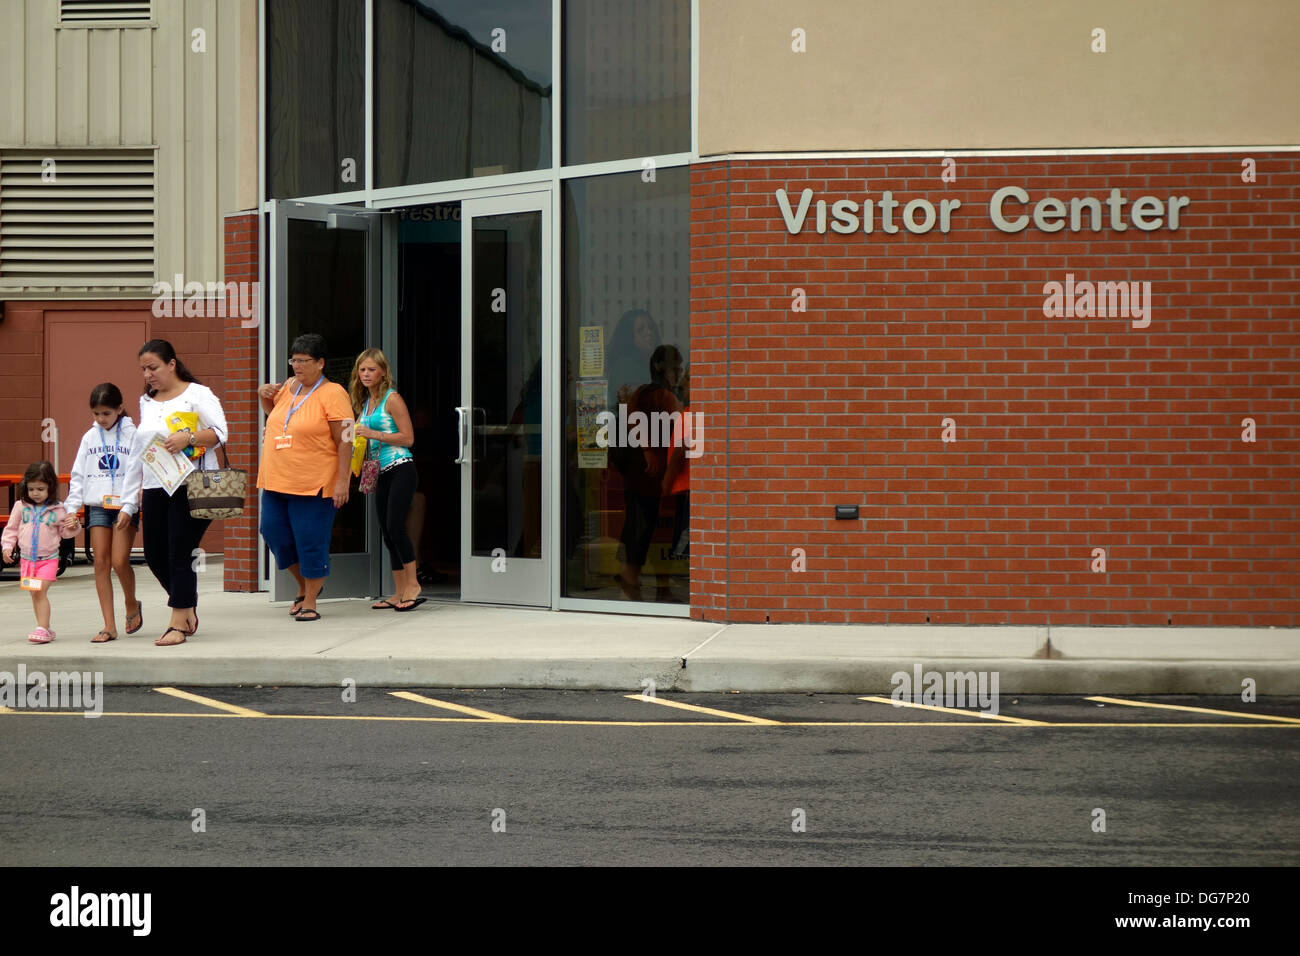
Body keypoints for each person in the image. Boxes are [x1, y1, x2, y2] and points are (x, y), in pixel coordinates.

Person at [118, 339, 229, 646]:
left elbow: (221, 433)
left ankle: (178, 622)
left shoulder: (198, 394)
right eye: (143, 369)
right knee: (154, 554)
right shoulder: (147, 400)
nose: (148, 375)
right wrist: (129, 502)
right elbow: (138, 451)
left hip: (191, 483)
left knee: (181, 549)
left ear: (171, 364)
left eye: (152, 367)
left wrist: (188, 437)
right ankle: (187, 605)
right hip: (156, 485)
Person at [257, 333, 354, 621]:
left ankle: (310, 600)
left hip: (314, 482)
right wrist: (265, 400)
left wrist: (342, 481)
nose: (296, 366)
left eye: (303, 361)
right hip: (276, 478)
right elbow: (279, 419)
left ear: (320, 363)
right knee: (273, 532)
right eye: (293, 360)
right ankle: (303, 586)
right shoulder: (289, 387)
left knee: (310, 539)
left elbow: (346, 439)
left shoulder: (334, 393)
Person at [62, 383, 142, 642]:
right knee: (100, 563)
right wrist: (72, 508)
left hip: (124, 506)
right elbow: (78, 475)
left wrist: (130, 507)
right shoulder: (89, 437)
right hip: (97, 505)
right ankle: (109, 625)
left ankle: (131, 602)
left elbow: (137, 474)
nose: (100, 419)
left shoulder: (133, 435)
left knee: (120, 562)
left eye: (106, 413)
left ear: (119, 409)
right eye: (96, 413)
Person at [349, 348, 423, 611]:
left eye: (371, 369)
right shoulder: (365, 403)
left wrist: (372, 433)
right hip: (379, 471)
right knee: (387, 532)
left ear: (382, 373)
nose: (366, 374)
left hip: (400, 466)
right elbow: (356, 435)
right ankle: (399, 591)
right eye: (362, 369)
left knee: (396, 526)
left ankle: (413, 585)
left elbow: (408, 438)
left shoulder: (392, 399)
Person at [616, 344, 685, 602]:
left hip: (639, 476)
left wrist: (645, 450)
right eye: (674, 367)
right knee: (651, 530)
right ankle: (633, 581)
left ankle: (646, 584)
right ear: (660, 368)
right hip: (654, 477)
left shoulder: (643, 394)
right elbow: (682, 434)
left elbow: (629, 417)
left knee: (644, 528)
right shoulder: (665, 397)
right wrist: (651, 454)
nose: (678, 372)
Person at [2, 461, 81, 644]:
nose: (35, 493)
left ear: (50, 488)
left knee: (40, 591)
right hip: (27, 560)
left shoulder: (58, 510)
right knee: (34, 593)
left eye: (40, 489)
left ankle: (43, 628)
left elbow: (66, 532)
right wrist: (7, 546)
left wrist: (74, 525)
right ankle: (44, 626)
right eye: (31, 489)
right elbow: (11, 529)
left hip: (49, 559)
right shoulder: (20, 507)